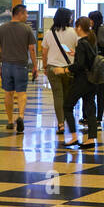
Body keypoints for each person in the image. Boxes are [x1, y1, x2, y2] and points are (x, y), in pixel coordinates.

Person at [0, 4, 37, 134]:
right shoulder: (27, 29)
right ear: (20, 14)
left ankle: (10, 121)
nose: (27, 16)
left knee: (8, 93)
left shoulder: (2, 28)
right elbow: (32, 49)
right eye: (26, 13)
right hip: (21, 65)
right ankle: (21, 116)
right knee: (21, 93)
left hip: (6, 65)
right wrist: (34, 66)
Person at [65, 16, 100, 147]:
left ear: (79, 27)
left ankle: (74, 136)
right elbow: (89, 59)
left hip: (82, 81)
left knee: (67, 106)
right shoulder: (92, 41)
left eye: (76, 26)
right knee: (90, 108)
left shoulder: (81, 43)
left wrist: (65, 70)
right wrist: (77, 54)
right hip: (93, 80)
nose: (75, 29)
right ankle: (91, 139)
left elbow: (79, 65)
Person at [42, 7, 77, 135]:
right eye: (71, 16)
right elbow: (77, 50)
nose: (72, 19)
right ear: (67, 18)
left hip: (52, 68)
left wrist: (45, 67)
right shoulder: (73, 32)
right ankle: (69, 121)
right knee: (67, 96)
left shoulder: (48, 33)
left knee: (57, 96)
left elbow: (44, 52)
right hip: (68, 69)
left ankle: (60, 124)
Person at [88, 10, 104, 128]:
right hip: (103, 65)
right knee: (100, 93)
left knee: (90, 93)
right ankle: (99, 119)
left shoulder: (90, 33)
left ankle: (89, 117)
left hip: (92, 66)